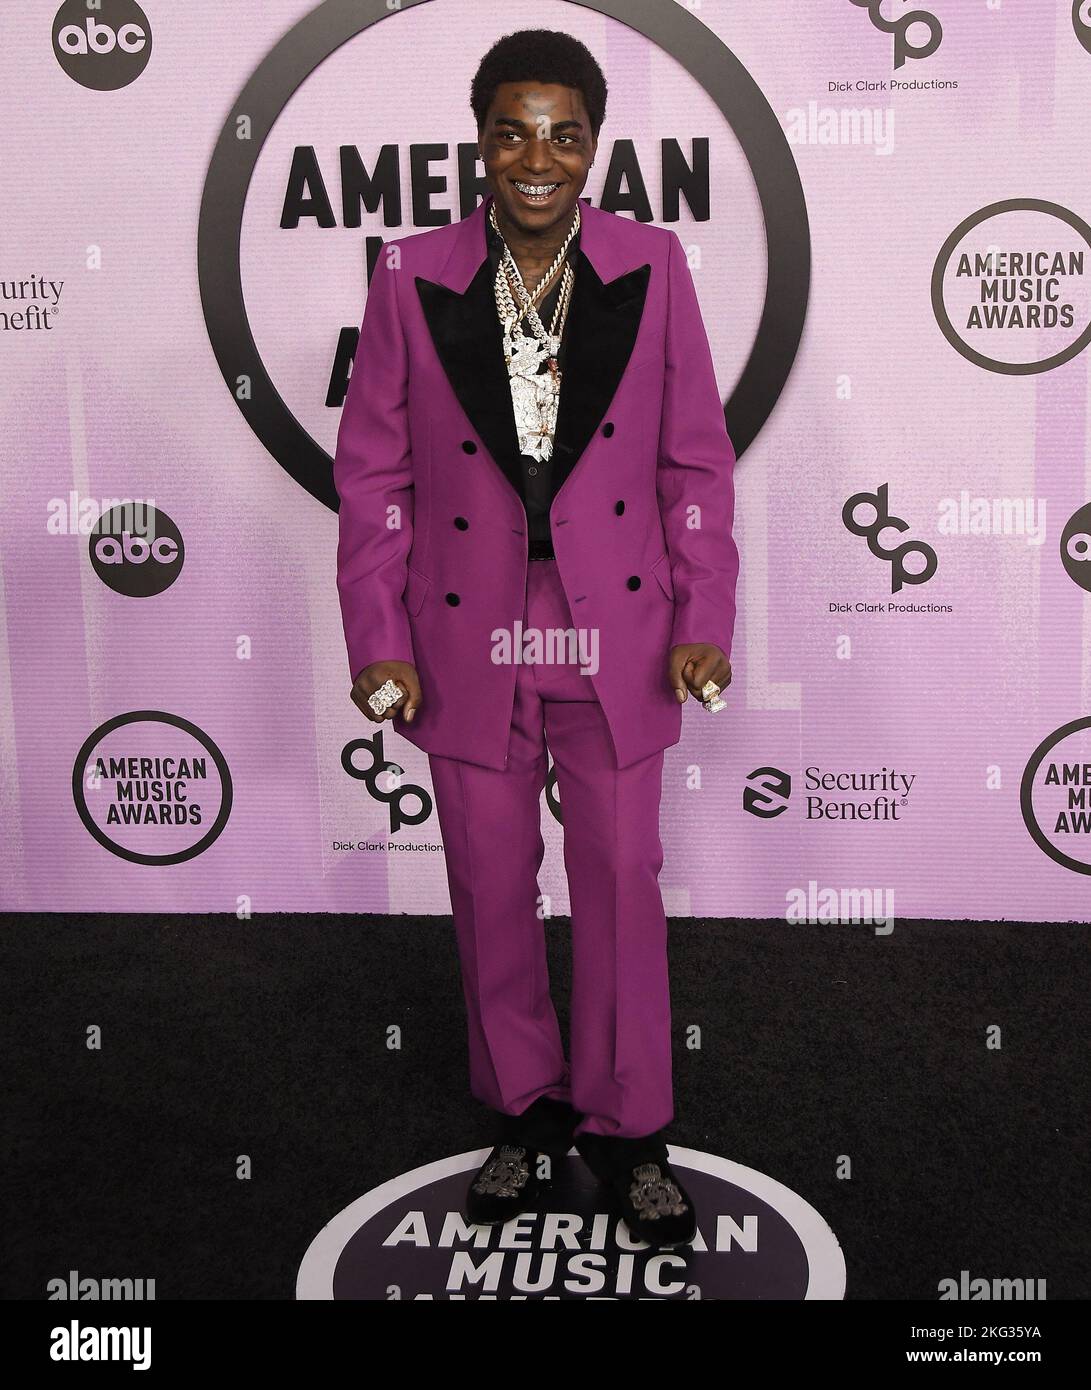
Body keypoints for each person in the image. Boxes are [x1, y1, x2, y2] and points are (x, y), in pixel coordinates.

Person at [333, 28, 739, 1250]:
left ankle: (627, 1128)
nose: (536, 157)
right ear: (479, 139)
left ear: (593, 146)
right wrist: (378, 638)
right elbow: (373, 476)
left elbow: (693, 461)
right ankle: (523, 1110)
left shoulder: (652, 264)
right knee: (487, 877)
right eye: (513, 130)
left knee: (618, 873)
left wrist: (701, 619)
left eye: (563, 133)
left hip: (611, 619)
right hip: (462, 625)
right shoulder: (409, 272)